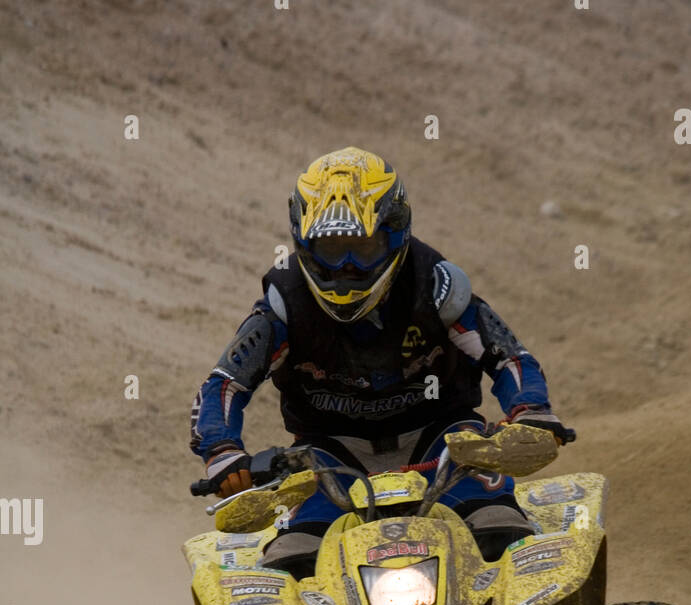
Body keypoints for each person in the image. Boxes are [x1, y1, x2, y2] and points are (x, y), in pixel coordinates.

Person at [190, 147, 570, 575]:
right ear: (302, 241)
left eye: (362, 247)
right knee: (291, 560)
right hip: (329, 458)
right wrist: (222, 452)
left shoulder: (437, 285)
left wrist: (532, 412)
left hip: (445, 443)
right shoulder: (285, 304)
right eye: (331, 249)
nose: (346, 268)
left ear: (395, 233)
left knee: (500, 528)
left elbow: (507, 356)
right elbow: (225, 383)